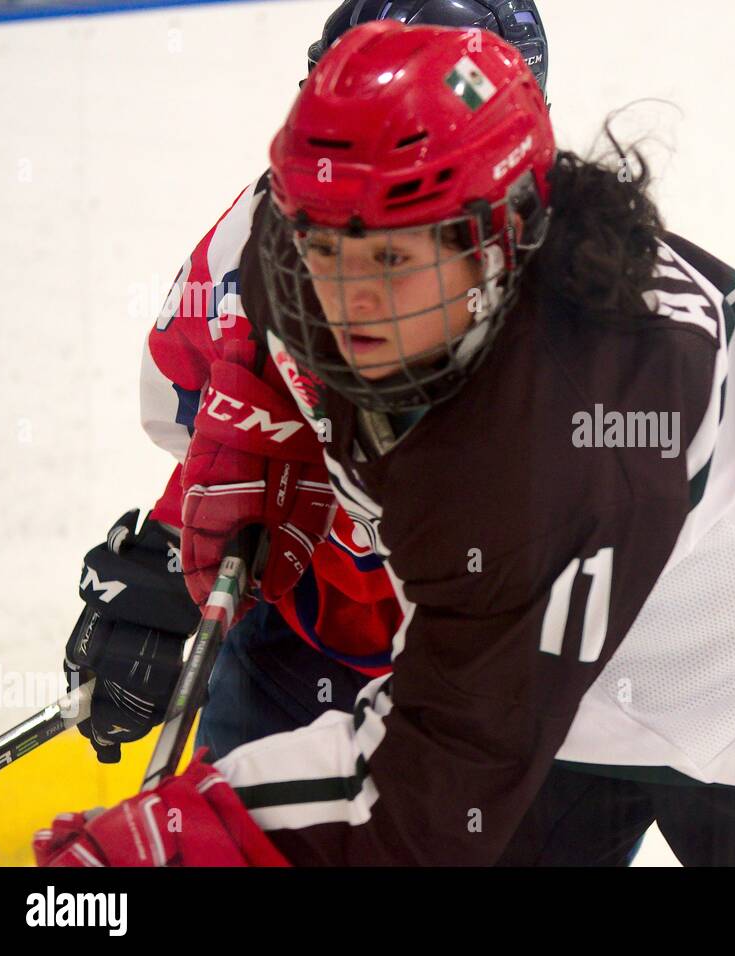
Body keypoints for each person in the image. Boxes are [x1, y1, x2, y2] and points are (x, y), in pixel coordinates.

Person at [38, 20, 735, 867]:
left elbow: (418, 794)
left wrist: (181, 839)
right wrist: (215, 504)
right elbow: (259, 370)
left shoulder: (569, 430)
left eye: (393, 261)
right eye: (326, 250)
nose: (350, 298)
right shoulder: (304, 234)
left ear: (504, 237)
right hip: (566, 687)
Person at [63, 0, 550, 768]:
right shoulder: (249, 250)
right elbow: (216, 412)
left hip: (507, 686)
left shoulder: (588, 320)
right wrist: (170, 549)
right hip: (304, 650)